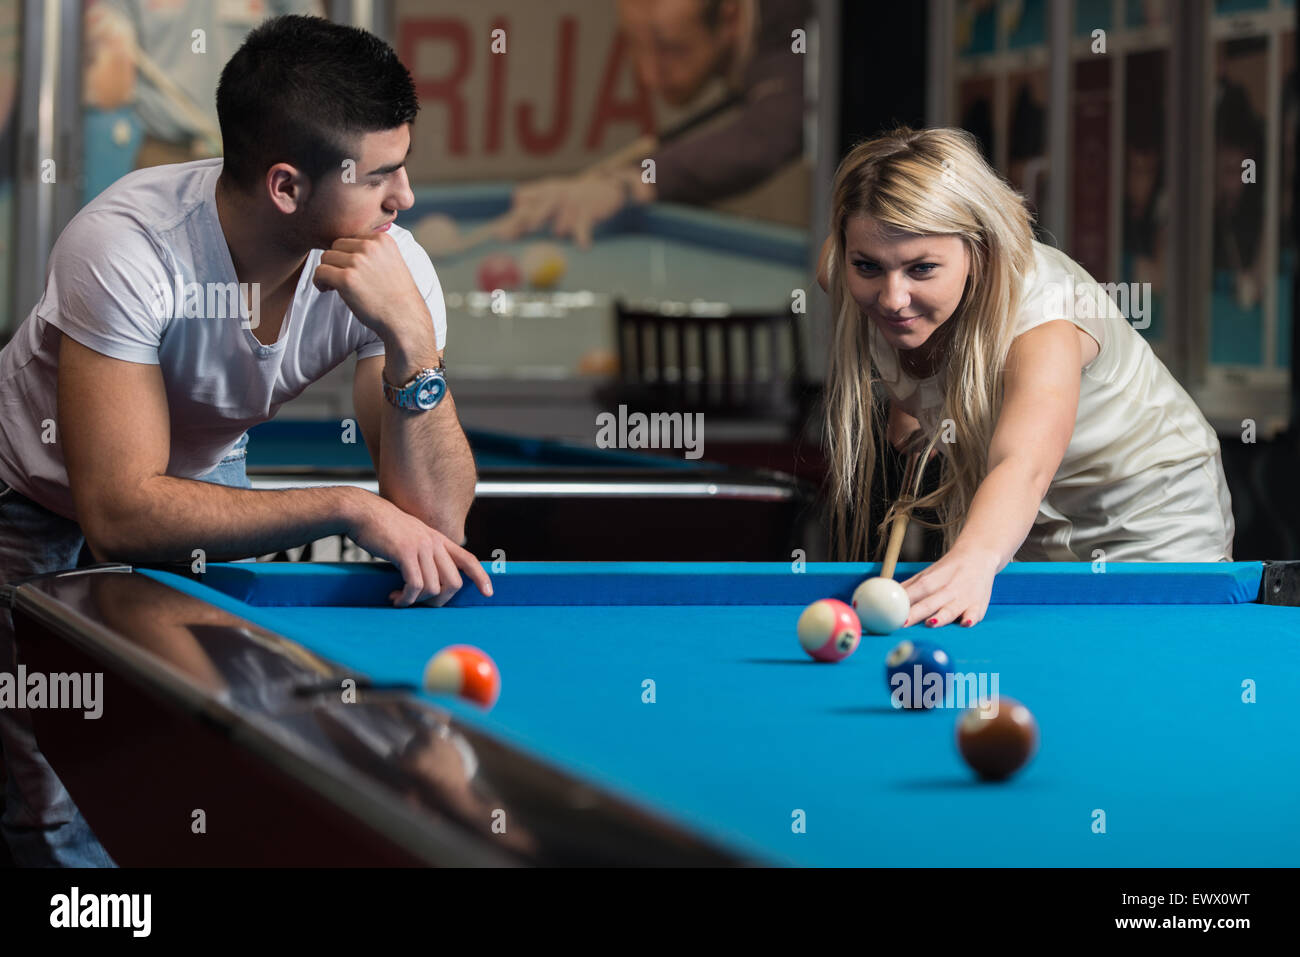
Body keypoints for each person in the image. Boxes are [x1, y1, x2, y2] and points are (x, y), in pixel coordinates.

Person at [0, 15, 491, 868]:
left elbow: (436, 520)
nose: (405, 198)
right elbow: (115, 511)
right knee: (52, 809)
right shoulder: (127, 247)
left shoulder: (388, 263)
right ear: (287, 187)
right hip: (30, 497)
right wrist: (345, 505)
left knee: (209, 750)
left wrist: (414, 344)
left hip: (194, 476)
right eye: (380, 176)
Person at [818, 127, 1234, 629]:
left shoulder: (1045, 320)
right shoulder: (846, 267)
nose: (891, 298)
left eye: (922, 269)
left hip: (1148, 519)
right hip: (1023, 523)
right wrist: (910, 400)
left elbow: (1023, 463)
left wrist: (973, 558)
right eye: (868, 266)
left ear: (979, 250)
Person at [500, 0, 808, 247]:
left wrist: (631, 183)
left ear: (729, 18)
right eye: (633, 43)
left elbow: (771, 131)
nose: (648, 75)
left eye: (671, 48)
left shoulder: (794, 26)